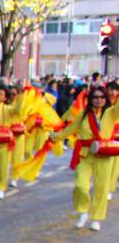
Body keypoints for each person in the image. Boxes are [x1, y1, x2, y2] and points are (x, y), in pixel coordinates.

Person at [51, 85, 117, 231]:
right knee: (81, 185)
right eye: (95, 97)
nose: (98, 100)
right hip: (85, 154)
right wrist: (56, 137)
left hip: (104, 154)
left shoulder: (112, 113)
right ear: (90, 99)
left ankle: (96, 218)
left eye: (101, 97)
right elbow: (71, 129)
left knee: (101, 188)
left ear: (106, 99)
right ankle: (83, 212)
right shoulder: (83, 115)